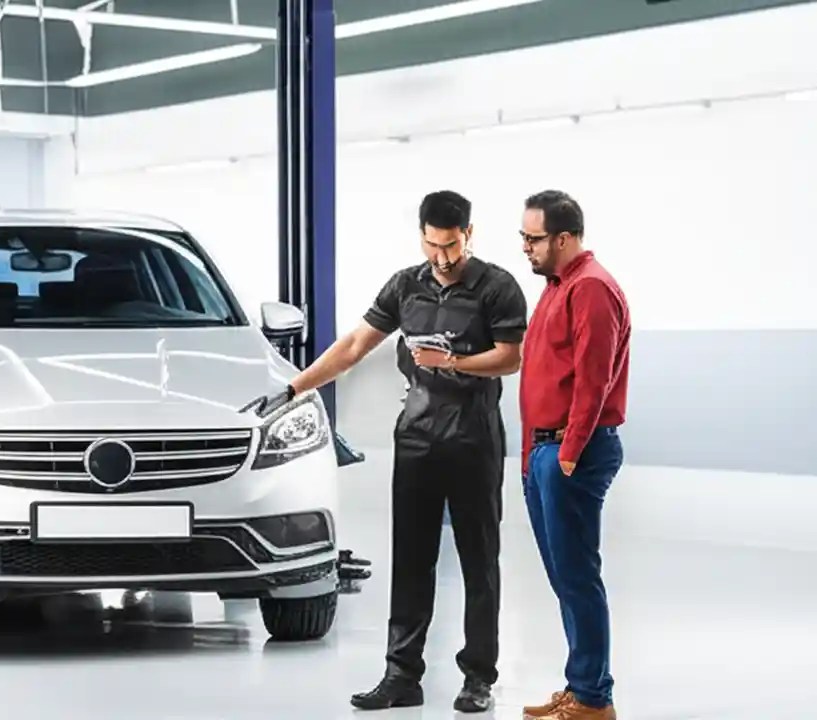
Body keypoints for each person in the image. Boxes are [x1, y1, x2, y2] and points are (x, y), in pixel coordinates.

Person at [256, 190, 528, 713]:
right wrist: (294, 388)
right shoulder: (406, 285)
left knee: (478, 561)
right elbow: (355, 346)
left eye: (450, 246)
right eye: (432, 245)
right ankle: (401, 675)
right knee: (411, 560)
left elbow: (510, 358)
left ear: (469, 234)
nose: (442, 257)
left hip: (474, 439)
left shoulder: (497, 287)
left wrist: (452, 363)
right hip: (417, 439)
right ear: (421, 236)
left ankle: (478, 678)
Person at [517, 190, 631, 720]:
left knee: (578, 577)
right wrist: (530, 456)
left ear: (564, 238)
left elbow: (594, 378)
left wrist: (567, 452)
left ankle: (593, 700)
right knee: (564, 577)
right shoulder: (556, 287)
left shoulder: (591, 289)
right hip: (543, 452)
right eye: (524, 237)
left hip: (571, 454)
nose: (526, 247)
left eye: (534, 238)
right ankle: (581, 683)